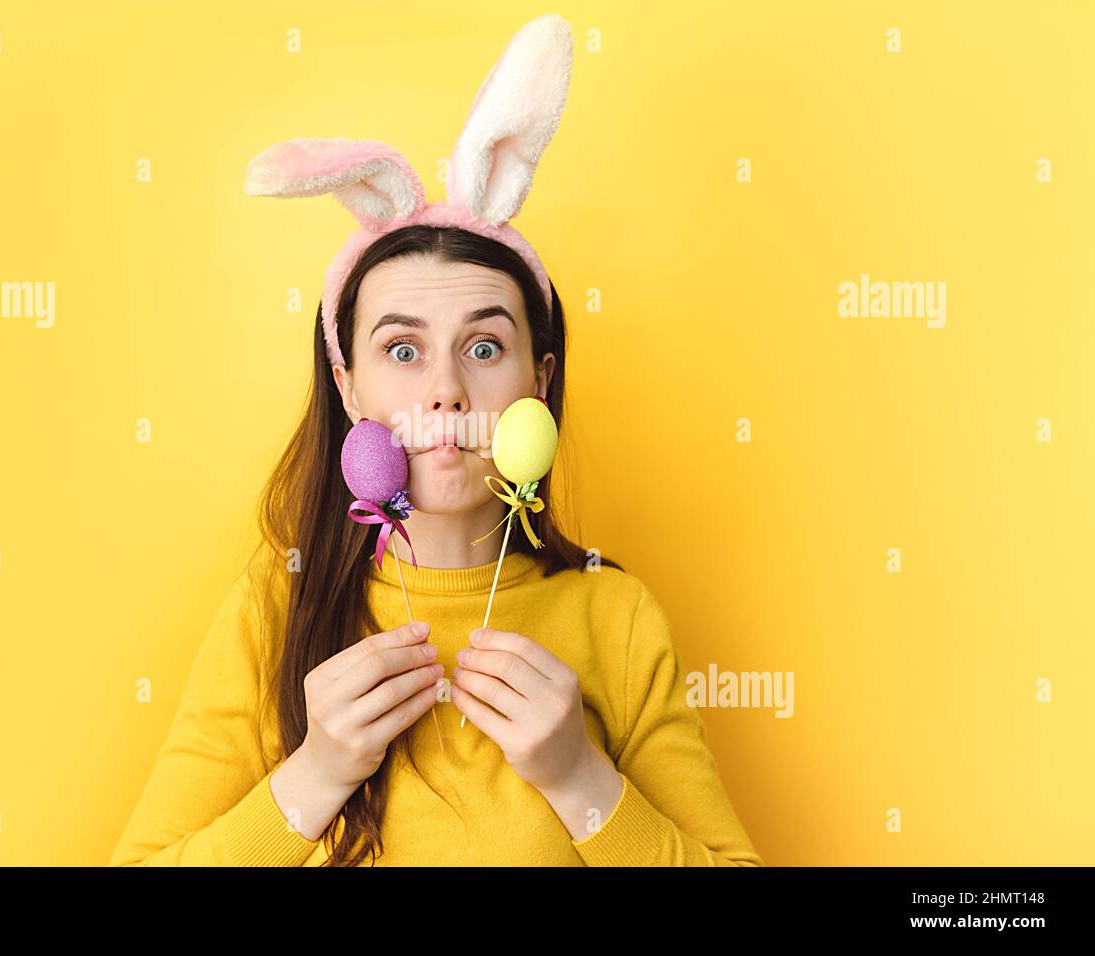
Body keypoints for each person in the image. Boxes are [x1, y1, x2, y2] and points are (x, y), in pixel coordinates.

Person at [109, 14, 762, 867]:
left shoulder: (616, 618)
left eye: (484, 347)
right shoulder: (273, 614)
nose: (446, 388)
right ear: (348, 387)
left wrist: (579, 779)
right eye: (403, 349)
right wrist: (314, 776)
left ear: (539, 380)